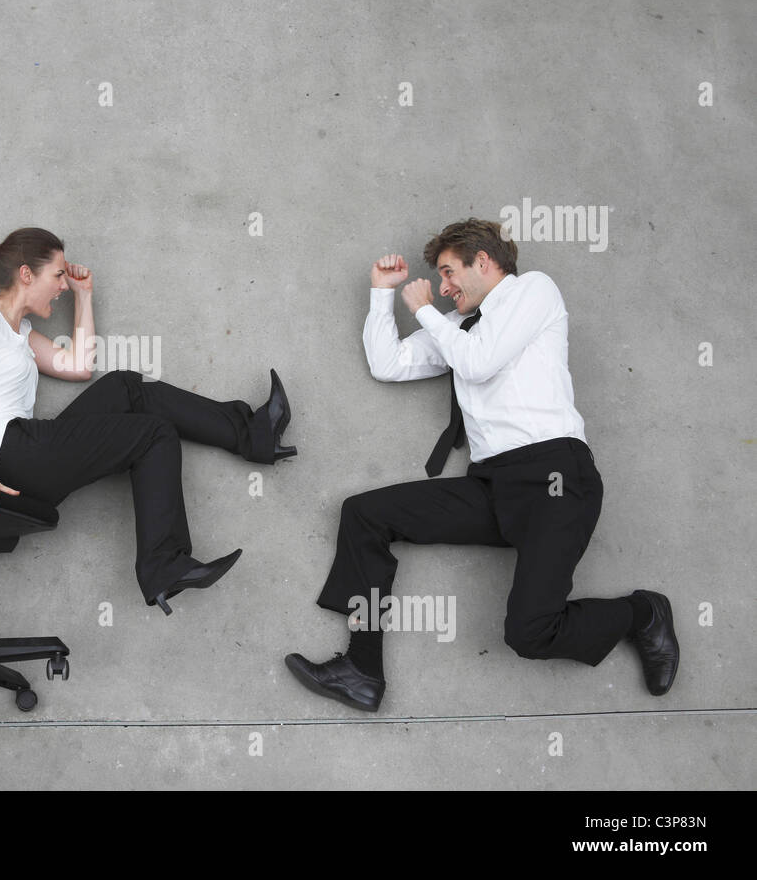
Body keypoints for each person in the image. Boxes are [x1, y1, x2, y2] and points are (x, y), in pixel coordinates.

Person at [285, 218, 680, 711]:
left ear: (485, 261)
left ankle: (642, 612)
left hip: (555, 479)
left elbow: (478, 362)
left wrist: (427, 311)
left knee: (530, 634)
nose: (445, 288)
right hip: (493, 486)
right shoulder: (457, 328)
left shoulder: (533, 292)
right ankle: (361, 671)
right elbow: (389, 364)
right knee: (364, 514)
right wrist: (382, 295)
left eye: (450, 273)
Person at [0, 226, 296, 614]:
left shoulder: (19, 332)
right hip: (9, 456)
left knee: (125, 387)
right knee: (154, 435)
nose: (62, 286)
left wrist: (84, 295)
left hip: (27, 456)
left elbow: (78, 366)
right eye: (57, 276)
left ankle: (254, 434)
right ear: (26, 275)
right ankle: (164, 565)